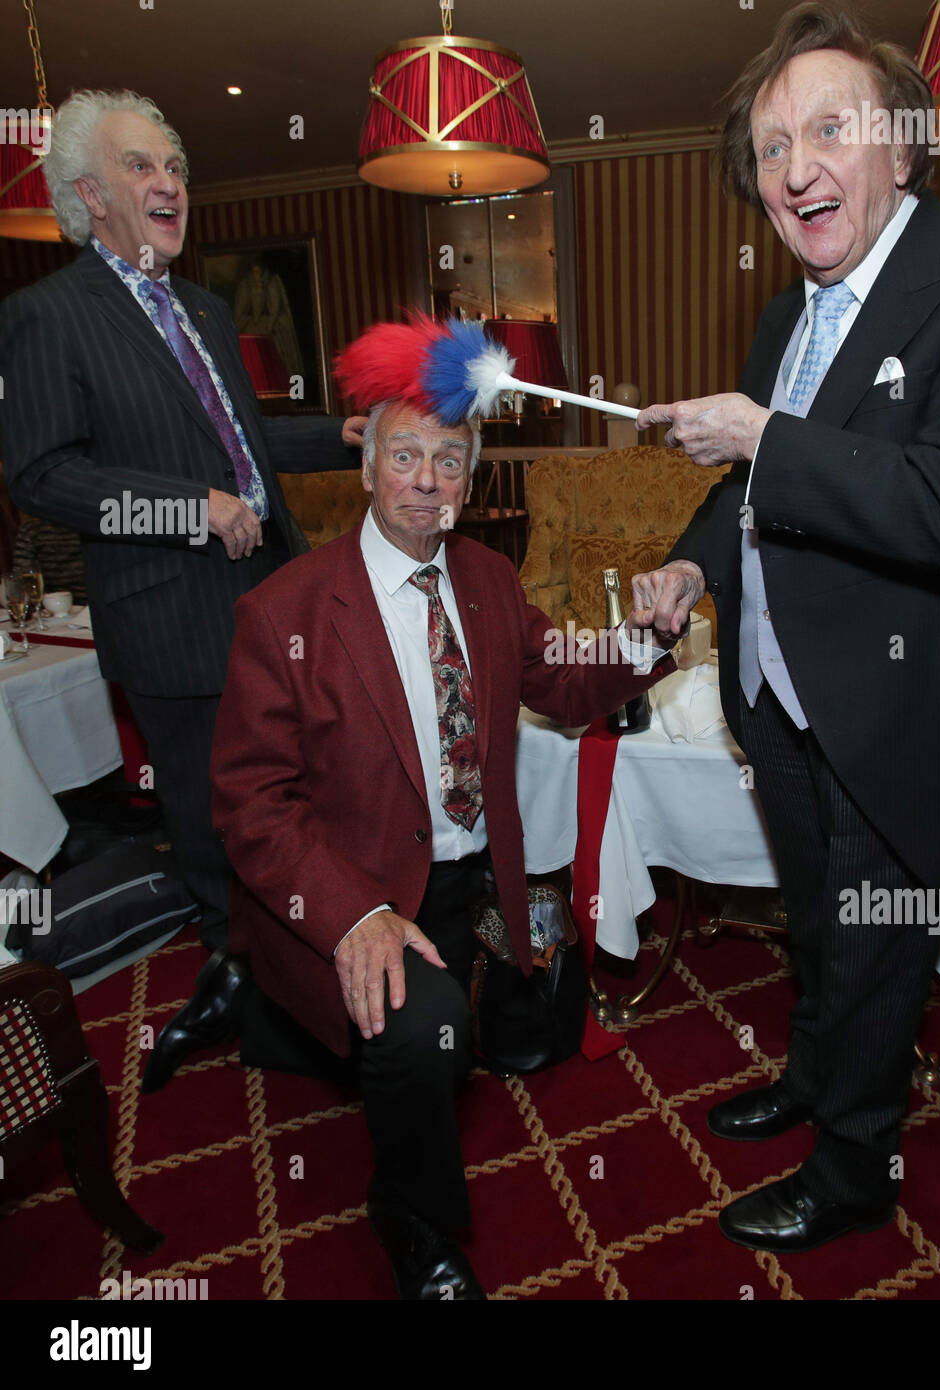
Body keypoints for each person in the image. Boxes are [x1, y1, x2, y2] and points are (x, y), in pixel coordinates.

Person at [631, 2, 940, 1255]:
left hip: (896, 698)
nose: (793, 169)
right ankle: (814, 1075)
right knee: (820, 918)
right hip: (773, 689)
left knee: (880, 939)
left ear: (903, 142)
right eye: (771, 147)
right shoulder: (784, 316)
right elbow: (750, 487)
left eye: (828, 129)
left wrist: (761, 433)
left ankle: (853, 1166)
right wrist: (690, 563)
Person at [208, 339, 677, 1297]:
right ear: (367, 467)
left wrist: (645, 637)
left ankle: (321, 1022)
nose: (428, 481)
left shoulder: (488, 579)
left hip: (474, 873)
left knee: (512, 1028)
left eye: (451, 460)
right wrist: (351, 916)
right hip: (364, 890)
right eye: (406, 456)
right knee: (426, 1036)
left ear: (471, 476)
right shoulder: (283, 612)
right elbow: (251, 801)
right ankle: (410, 1217)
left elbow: (562, 678)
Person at [0, 91, 366, 1032]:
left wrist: (346, 436)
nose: (169, 184)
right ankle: (247, 995)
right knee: (214, 828)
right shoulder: (47, 315)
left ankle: (298, 968)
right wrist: (186, 511)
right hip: (175, 619)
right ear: (90, 194)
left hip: (274, 593)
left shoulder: (202, 307)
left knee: (294, 797)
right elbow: (41, 475)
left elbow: (243, 443)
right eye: (142, 167)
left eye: (176, 168)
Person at [11, 515, 88, 604]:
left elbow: (20, 579)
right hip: (52, 604)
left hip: (53, 604)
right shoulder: (32, 529)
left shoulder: (32, 529)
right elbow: (22, 578)